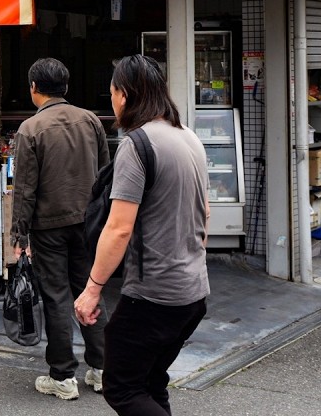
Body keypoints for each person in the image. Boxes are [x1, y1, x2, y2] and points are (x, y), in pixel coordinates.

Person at [74, 54, 209, 416]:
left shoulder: (137, 144)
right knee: (150, 381)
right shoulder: (188, 137)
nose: (113, 102)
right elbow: (205, 216)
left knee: (121, 388)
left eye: (114, 93)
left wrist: (92, 290)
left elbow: (119, 228)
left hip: (154, 296)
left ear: (126, 94)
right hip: (193, 292)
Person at [11, 57, 111, 400]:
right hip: (89, 223)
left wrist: (19, 235)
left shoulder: (30, 129)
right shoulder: (91, 120)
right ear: (65, 87)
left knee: (56, 297)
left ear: (34, 88)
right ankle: (101, 369)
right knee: (91, 291)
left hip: (48, 226)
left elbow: (24, 188)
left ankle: (63, 376)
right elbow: (105, 174)